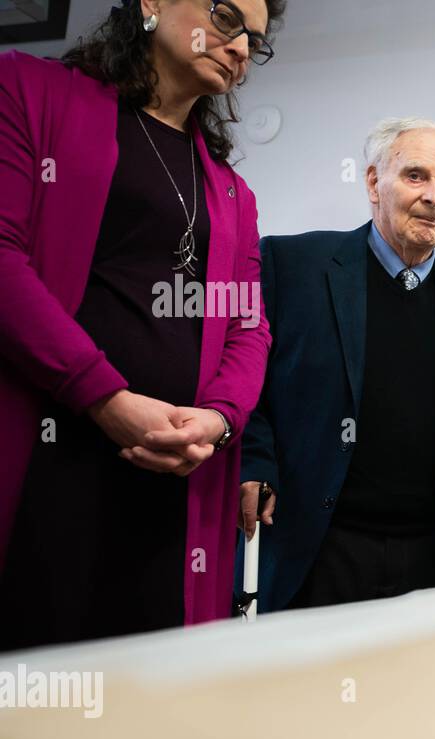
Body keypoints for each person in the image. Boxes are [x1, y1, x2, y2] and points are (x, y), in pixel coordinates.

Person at [0, 0, 283, 650]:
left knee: (142, 696)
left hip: (177, 480)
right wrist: (105, 397)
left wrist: (216, 421)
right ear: (151, 3)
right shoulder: (26, 90)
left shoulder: (233, 194)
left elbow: (249, 327)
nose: (241, 47)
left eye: (256, 42)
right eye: (225, 15)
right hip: (51, 453)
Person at [239, 118, 435, 611]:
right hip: (320, 546)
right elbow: (250, 383)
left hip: (433, 557)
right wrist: (255, 461)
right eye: (416, 176)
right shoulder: (293, 264)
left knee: (416, 688)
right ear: (373, 182)